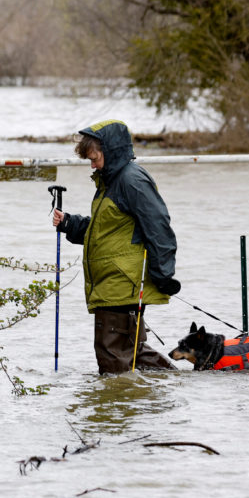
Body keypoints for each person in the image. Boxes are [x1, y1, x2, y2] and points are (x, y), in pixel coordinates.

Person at [51, 119, 180, 373]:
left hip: (122, 282)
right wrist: (69, 223)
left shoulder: (132, 181)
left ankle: (116, 409)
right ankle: (170, 390)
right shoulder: (108, 182)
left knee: (111, 355)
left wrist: (164, 274)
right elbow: (105, 230)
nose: (92, 164)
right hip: (112, 281)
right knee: (130, 351)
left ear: (110, 152)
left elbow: (159, 227)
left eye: (94, 158)